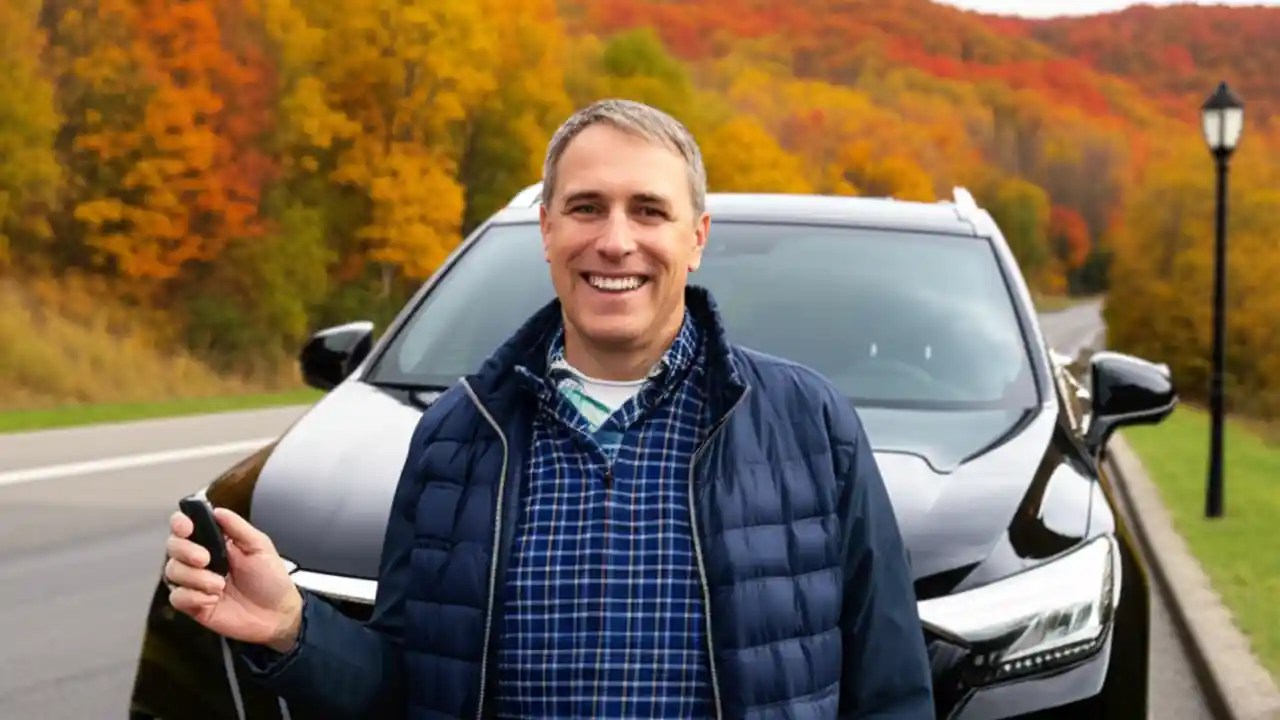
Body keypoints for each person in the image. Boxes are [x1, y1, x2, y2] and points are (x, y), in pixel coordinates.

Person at [163, 98, 935, 719]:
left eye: (649, 211)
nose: (615, 240)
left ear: (696, 238)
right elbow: (411, 684)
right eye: (588, 208)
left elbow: (891, 687)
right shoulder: (459, 436)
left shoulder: (809, 427)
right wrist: (295, 628)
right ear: (548, 230)